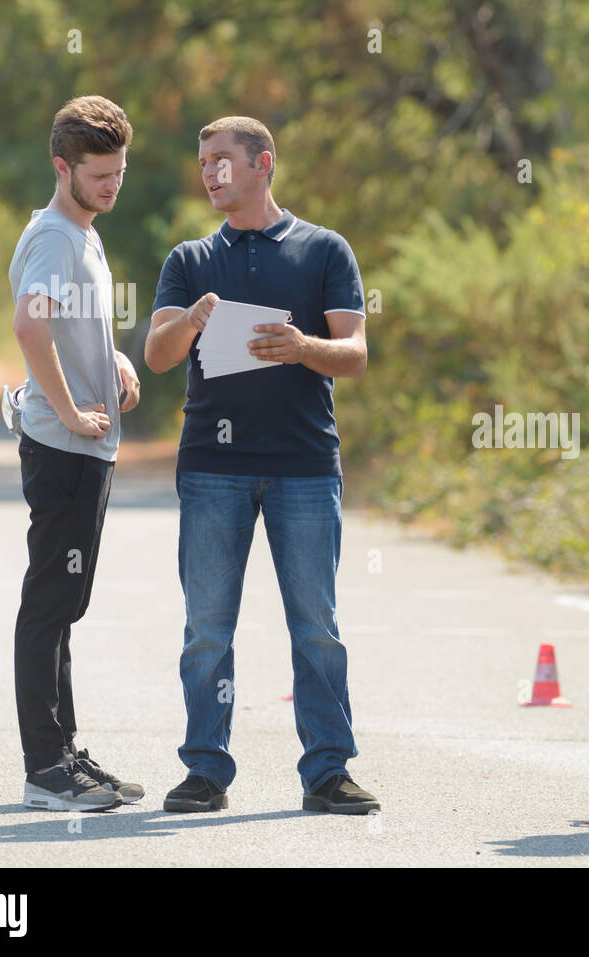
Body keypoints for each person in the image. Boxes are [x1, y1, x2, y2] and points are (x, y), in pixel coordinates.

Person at [144, 116, 378, 814]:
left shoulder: (324, 249)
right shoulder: (189, 260)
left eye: (223, 160)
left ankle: (328, 770)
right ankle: (206, 770)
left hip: (305, 465)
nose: (211, 171)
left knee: (316, 626)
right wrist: (192, 321)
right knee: (207, 628)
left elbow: (357, 353)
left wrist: (304, 346)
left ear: (263, 163)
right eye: (203, 161)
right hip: (212, 466)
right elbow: (158, 356)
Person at [8, 95, 144, 809]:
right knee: (50, 603)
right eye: (99, 175)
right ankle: (45, 769)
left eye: (119, 172)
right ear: (63, 167)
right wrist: (68, 411)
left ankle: (65, 753)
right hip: (64, 449)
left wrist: (111, 358)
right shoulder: (58, 237)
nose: (112, 186)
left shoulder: (81, 231)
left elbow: (63, 324)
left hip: (82, 448)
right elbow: (30, 328)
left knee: (65, 603)